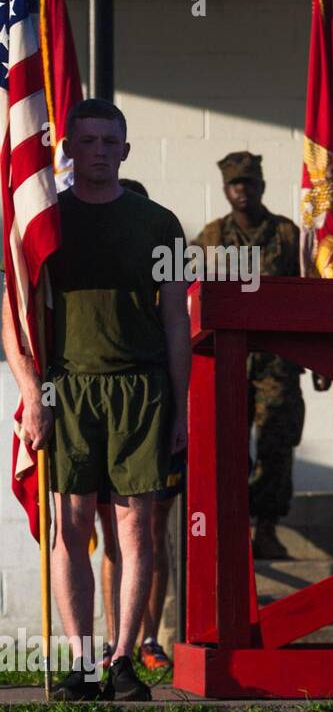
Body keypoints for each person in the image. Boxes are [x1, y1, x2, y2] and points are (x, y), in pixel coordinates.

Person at [2, 99, 189, 701]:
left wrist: (182, 406)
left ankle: (123, 660)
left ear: (126, 150)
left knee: (136, 535)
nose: (100, 152)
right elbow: (13, 308)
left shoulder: (160, 223)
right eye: (87, 141)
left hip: (142, 388)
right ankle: (83, 661)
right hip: (67, 388)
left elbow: (177, 324)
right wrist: (31, 390)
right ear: (69, 150)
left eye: (111, 142)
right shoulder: (42, 219)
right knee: (71, 528)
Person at [193, 152, 302, 560]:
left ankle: (268, 528)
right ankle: (233, 532)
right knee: (229, 446)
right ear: (225, 189)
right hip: (228, 362)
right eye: (235, 184)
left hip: (278, 360)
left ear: (262, 186)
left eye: (250, 183)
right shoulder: (210, 237)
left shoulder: (287, 235)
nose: (243, 191)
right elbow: (191, 296)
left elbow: (307, 294)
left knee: (277, 443)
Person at [94, 179, 181, 672]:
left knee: (152, 529)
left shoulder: (164, 256)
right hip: (105, 406)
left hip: (154, 406)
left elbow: (180, 331)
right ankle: (112, 641)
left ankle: (149, 638)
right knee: (113, 535)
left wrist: (177, 410)